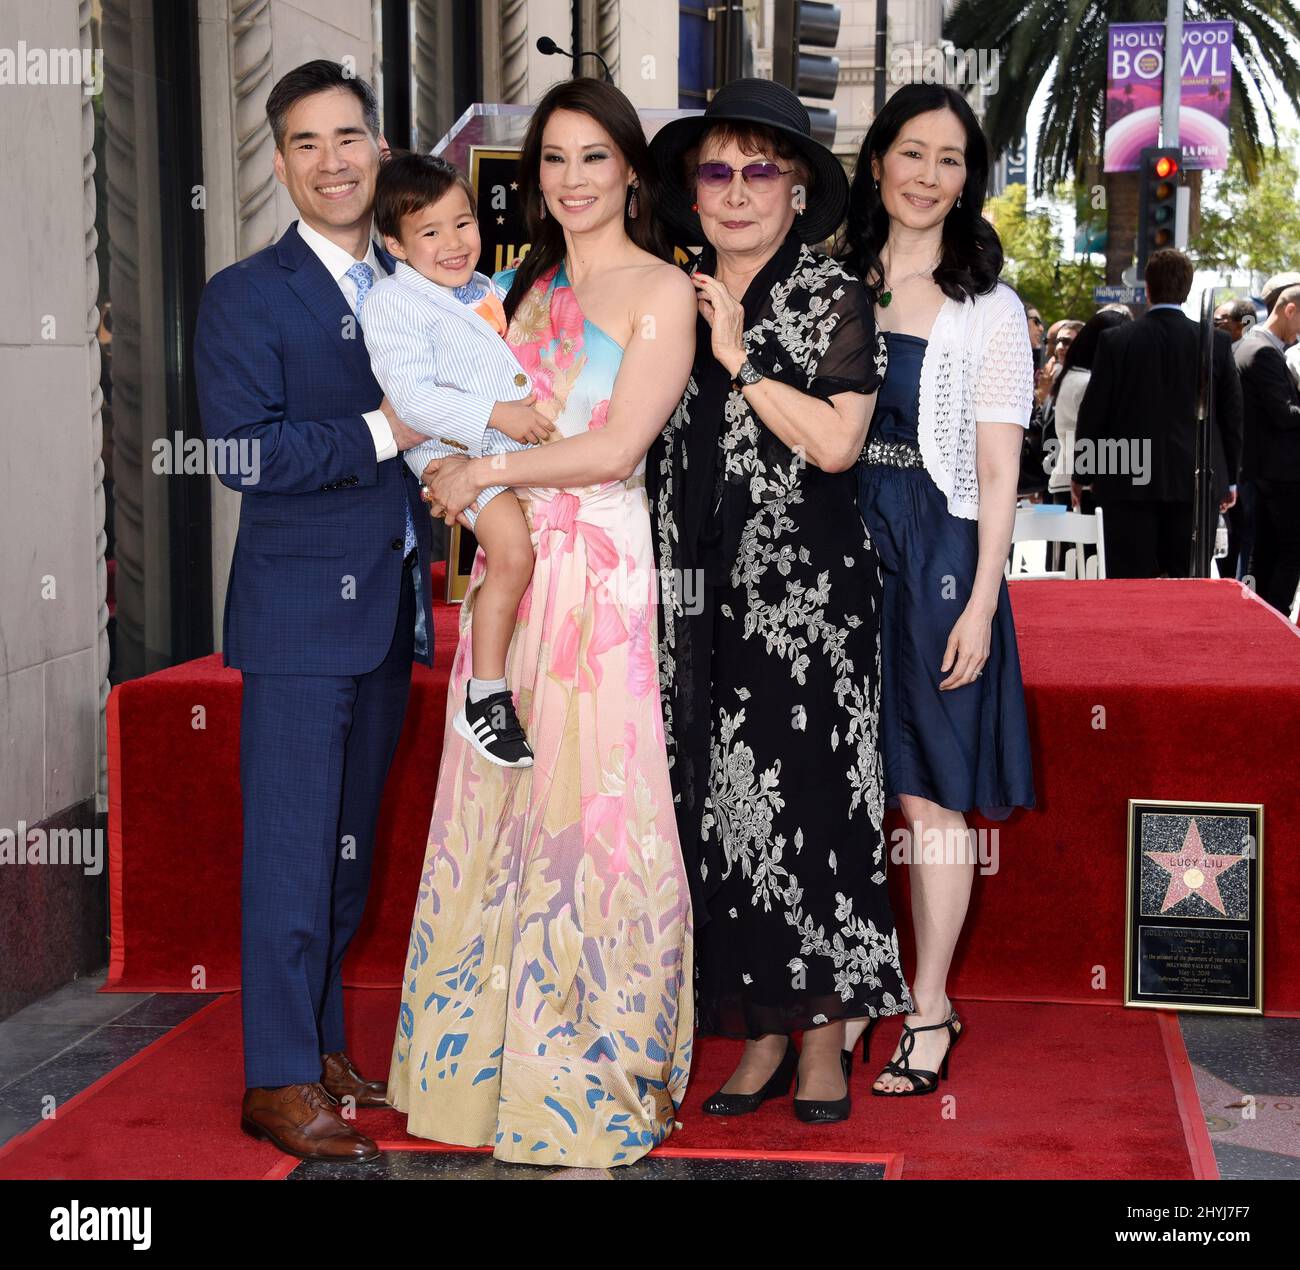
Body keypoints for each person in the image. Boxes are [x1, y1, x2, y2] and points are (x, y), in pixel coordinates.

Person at [388, 77, 697, 1168]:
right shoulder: (519, 282)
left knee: (593, 810)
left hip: (601, 576)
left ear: (630, 171)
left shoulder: (665, 291)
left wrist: (486, 469)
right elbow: (461, 398)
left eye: (592, 159)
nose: (569, 181)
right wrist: (455, 469)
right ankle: (482, 1080)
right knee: (499, 807)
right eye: (552, 161)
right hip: (514, 571)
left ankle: (589, 1077)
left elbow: (615, 450)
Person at [647, 78, 912, 1126]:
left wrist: (740, 360)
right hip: (692, 601)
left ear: (798, 187)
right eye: (717, 170)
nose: (739, 190)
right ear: (691, 191)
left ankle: (818, 1039)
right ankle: (754, 1030)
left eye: (762, 168)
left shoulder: (834, 296)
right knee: (717, 815)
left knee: (811, 807)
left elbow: (840, 443)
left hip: (806, 608)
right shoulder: (669, 292)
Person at [193, 60, 435, 1163]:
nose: (332, 161)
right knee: (291, 856)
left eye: (349, 138)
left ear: (379, 149)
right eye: (306, 142)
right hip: (297, 624)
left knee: (343, 860)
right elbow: (246, 452)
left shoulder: (411, 288)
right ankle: (277, 1078)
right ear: (280, 162)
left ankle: (327, 1047)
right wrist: (391, 429)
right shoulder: (245, 294)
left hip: (387, 615)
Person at [839, 82, 1036, 1094]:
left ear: (967, 181)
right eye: (911, 153)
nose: (927, 175)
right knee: (836, 781)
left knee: (926, 795)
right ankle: (838, 995)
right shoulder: (830, 277)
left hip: (936, 555)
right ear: (876, 162)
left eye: (949, 159)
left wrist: (980, 602)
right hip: (831, 545)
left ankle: (927, 1005)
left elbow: (999, 471)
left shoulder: (988, 309)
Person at [363, 151, 557, 767]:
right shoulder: (392, 301)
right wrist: (500, 416)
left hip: (501, 451)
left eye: (463, 222)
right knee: (512, 553)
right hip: (450, 452)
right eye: (430, 231)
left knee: (535, 557)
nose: (454, 242)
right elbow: (414, 399)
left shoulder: (480, 289)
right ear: (394, 243)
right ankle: (486, 696)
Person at [1073, 249, 1242, 578]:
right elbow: (1232, 416)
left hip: (1124, 475)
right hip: (1196, 478)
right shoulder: (1216, 343)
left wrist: (1083, 471)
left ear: (1147, 288)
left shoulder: (1115, 340)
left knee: (1129, 584)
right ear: (1188, 289)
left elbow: (1094, 410)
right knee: (1187, 584)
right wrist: (1229, 479)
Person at [1236, 283, 1300, 618]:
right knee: (1289, 549)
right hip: (1279, 473)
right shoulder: (1262, 351)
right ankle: (1276, 618)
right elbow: (1284, 413)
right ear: (1290, 310)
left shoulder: (1256, 346)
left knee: (1266, 550)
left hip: (1266, 472)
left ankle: (1264, 618)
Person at [1045, 308, 1133, 505]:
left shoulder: (1071, 376)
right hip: (1083, 484)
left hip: (1067, 478)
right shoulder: (1087, 383)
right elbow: (1096, 431)